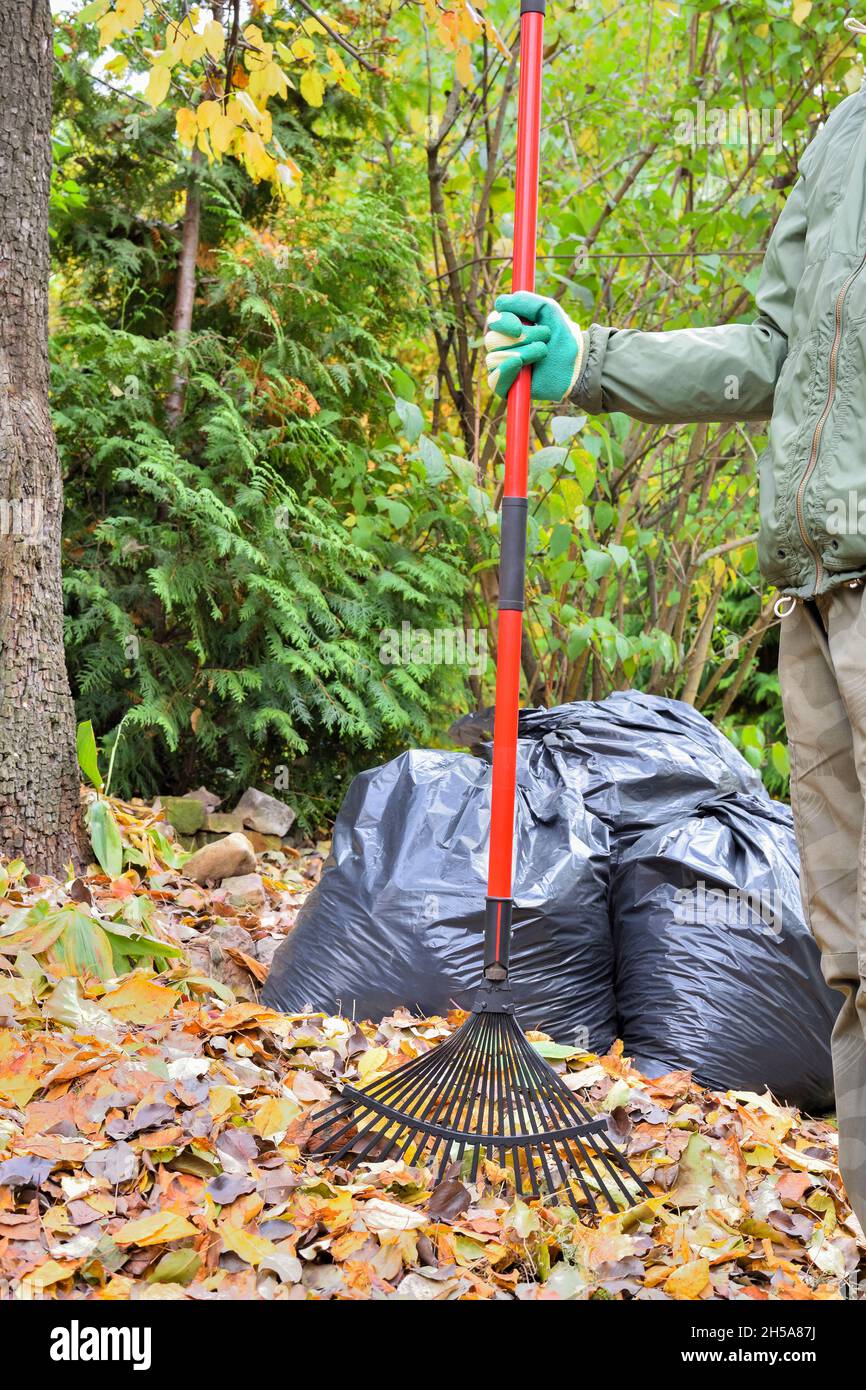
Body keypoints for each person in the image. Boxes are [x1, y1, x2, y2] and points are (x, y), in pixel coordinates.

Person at [483, 75, 866, 1231]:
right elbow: (769, 349)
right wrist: (591, 364)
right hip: (817, 594)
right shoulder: (843, 127)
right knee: (850, 963)